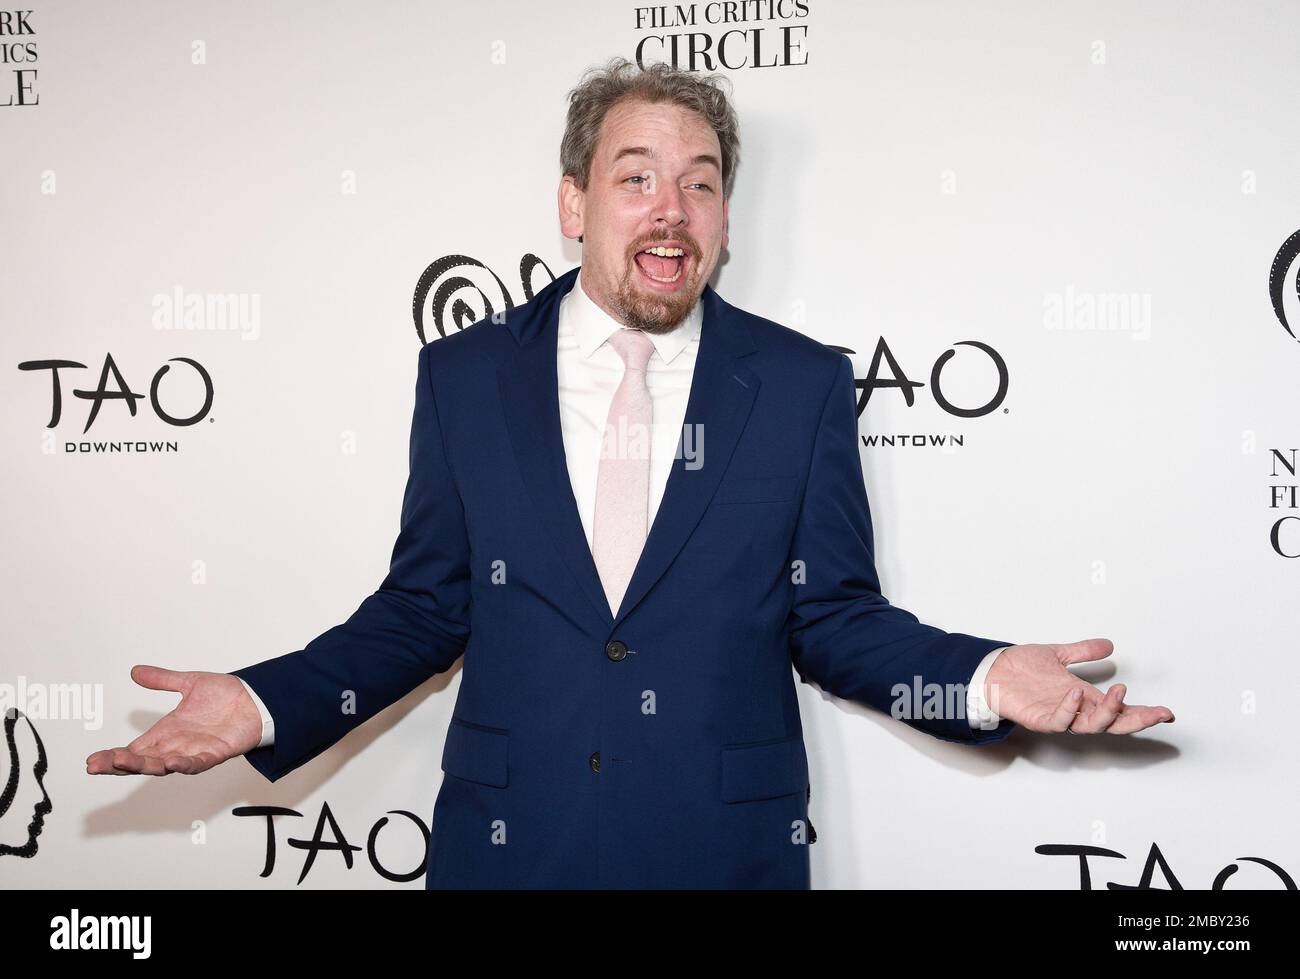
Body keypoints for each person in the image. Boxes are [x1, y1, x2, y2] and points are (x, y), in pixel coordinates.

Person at [87, 56, 1174, 888]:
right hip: (510, 849)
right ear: (574, 204)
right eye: (637, 176)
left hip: (725, 849)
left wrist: (985, 680)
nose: (670, 208)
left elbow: (834, 618)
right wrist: (266, 703)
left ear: (724, 219)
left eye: (699, 185)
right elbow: (425, 609)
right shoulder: (465, 377)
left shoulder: (797, 386)